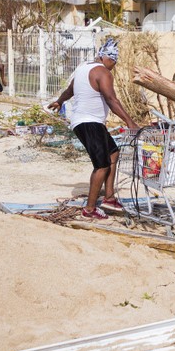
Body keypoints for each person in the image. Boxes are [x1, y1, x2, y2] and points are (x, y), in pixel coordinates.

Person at [48, 38, 139, 220]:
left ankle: (109, 197)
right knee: (102, 165)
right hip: (89, 122)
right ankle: (89, 209)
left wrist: (59, 101)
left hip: (86, 121)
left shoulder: (83, 69)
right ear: (109, 59)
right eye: (114, 62)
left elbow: (69, 90)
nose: (114, 66)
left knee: (113, 153)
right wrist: (130, 122)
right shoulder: (103, 72)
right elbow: (111, 99)